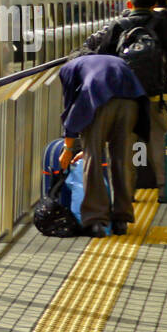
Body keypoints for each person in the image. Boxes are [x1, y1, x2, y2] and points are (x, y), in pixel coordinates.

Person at [84, 0, 167, 188]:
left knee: (124, 145)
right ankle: (165, 189)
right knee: (159, 141)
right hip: (155, 95)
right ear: (155, 4)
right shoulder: (163, 23)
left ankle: (126, 193)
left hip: (124, 97)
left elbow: (103, 56)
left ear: (129, 3)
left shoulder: (119, 24)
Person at [59, 53, 150, 237]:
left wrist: (68, 148)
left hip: (99, 102)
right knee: (120, 159)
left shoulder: (68, 68)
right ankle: (121, 219)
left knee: (93, 158)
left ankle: (96, 220)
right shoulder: (112, 60)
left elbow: (71, 107)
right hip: (131, 104)